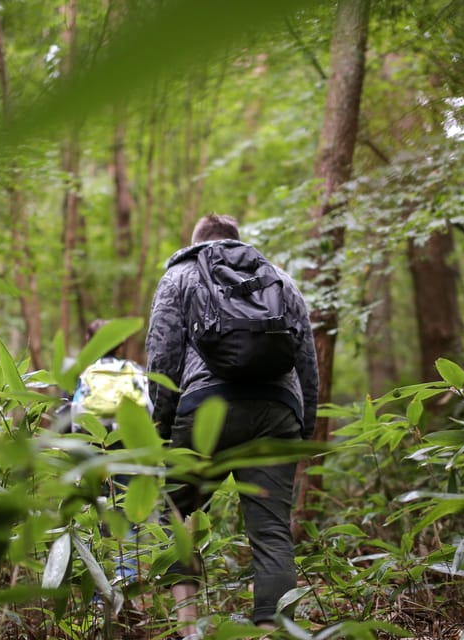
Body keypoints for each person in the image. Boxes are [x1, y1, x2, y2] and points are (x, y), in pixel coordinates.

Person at [145, 214, 318, 636]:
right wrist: (304, 427)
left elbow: (162, 355)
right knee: (272, 531)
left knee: (174, 512)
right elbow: (306, 357)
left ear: (195, 241)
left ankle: (188, 629)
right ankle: (271, 632)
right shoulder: (279, 279)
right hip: (278, 410)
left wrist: (161, 425)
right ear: (237, 241)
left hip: (207, 408)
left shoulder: (179, 276)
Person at [71, 318, 152, 586]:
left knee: (97, 513)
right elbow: (148, 410)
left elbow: (76, 417)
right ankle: (125, 581)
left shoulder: (87, 374)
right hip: (128, 449)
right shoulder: (134, 371)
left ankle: (99, 593)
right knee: (126, 514)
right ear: (120, 346)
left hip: (95, 449)